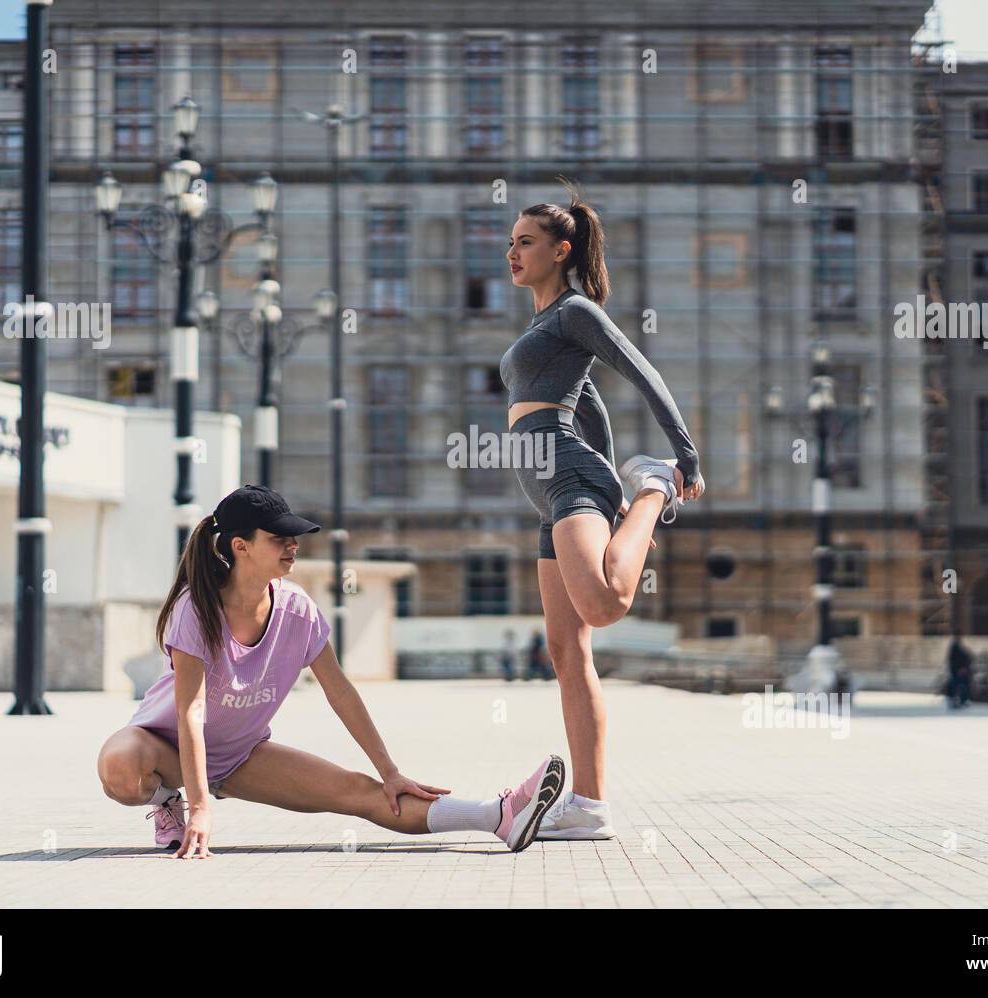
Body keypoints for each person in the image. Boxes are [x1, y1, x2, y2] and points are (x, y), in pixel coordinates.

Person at [96, 485, 565, 857]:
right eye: (279, 537)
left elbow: (341, 693)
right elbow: (191, 711)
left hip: (239, 757)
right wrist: (198, 807)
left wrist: (390, 770)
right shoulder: (195, 609)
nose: (293, 545)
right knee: (118, 765)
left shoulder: (298, 610)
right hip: (164, 748)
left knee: (364, 793)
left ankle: (499, 816)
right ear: (240, 546)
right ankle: (166, 806)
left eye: (293, 536)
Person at [502, 176, 705, 840]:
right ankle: (588, 805)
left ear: (562, 249)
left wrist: (679, 460)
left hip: (566, 476)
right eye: (510, 242)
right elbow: (587, 404)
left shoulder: (574, 312)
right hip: (552, 492)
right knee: (565, 650)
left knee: (604, 604)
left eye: (526, 242)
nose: (513, 252)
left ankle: (656, 488)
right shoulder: (542, 325)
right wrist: (608, 480)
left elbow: (641, 371)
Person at [947, 637, 972, 709]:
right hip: (957, 670)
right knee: (957, 685)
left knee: (959, 685)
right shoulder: (957, 649)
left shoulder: (958, 650)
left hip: (959, 670)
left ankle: (960, 700)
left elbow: (968, 658)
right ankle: (959, 700)